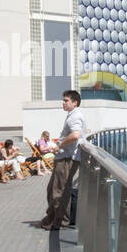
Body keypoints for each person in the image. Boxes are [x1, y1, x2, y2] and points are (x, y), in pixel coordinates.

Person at [37, 90, 86, 230]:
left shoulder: (75, 116)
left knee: (59, 191)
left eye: (66, 100)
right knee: (52, 189)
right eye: (63, 100)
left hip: (67, 158)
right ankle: (51, 218)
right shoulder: (73, 115)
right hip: (65, 157)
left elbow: (76, 135)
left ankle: (59, 221)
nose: (63, 103)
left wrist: (59, 145)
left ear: (75, 102)